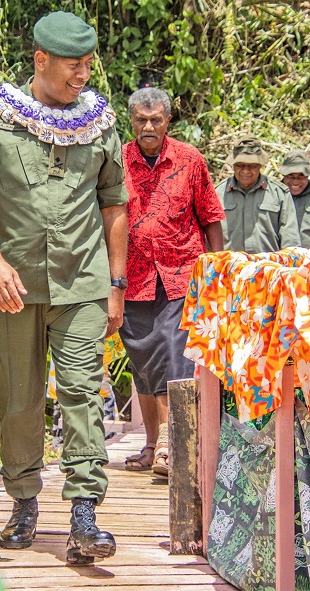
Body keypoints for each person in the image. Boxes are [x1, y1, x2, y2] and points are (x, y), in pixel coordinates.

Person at [0, 11, 126, 565]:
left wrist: (116, 283)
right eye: (72, 65)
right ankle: (24, 501)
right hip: (14, 285)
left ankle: (84, 513)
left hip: (81, 282)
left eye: (87, 64)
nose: (83, 74)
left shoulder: (100, 122)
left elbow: (114, 205)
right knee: (19, 400)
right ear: (40, 60)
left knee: (82, 391)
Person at [120, 87, 225, 477]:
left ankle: (171, 445)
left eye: (156, 120)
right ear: (132, 121)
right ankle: (150, 444)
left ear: (167, 121)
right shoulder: (118, 160)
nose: (148, 126)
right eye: (141, 120)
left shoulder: (189, 159)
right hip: (132, 277)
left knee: (172, 354)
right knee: (141, 360)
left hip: (181, 274)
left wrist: (216, 272)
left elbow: (211, 215)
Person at [216, 136, 300, 253]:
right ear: (233, 165)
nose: (245, 171)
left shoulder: (279, 194)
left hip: (268, 268)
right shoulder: (217, 194)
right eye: (240, 165)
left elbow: (290, 240)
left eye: (252, 166)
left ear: (260, 166)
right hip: (228, 267)